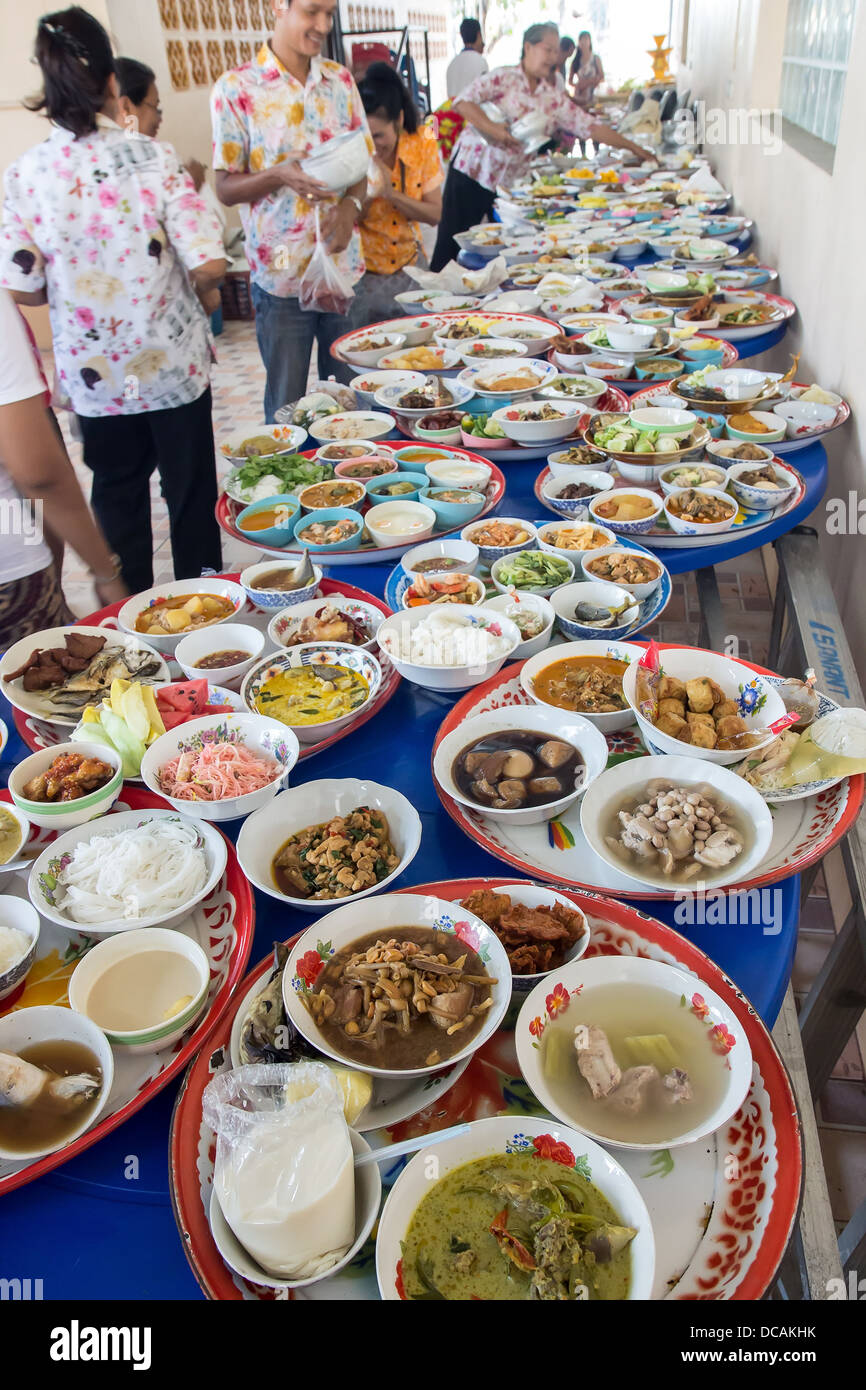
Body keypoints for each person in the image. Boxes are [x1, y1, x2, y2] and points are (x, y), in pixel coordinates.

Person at [0, 7, 227, 598]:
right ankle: (203, 616)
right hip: (174, 369)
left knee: (118, 497)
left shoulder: (26, 175)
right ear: (109, 83)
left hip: (97, 379)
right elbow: (209, 261)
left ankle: (131, 621)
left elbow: (21, 286)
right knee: (191, 496)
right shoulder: (154, 158)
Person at [211, 0, 373, 422]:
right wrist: (279, 175)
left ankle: (352, 483)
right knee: (287, 407)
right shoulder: (237, 89)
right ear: (277, 6)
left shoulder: (339, 81)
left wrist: (350, 208)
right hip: (280, 272)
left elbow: (363, 167)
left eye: (330, 14)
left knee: (352, 401)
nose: (322, 25)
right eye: (311, 11)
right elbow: (225, 187)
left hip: (340, 266)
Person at [431, 22, 655, 271]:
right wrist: (495, 130)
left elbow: (589, 126)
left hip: (506, 186)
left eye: (555, 51)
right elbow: (463, 101)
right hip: (472, 171)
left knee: (496, 249)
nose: (553, 57)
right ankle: (436, 302)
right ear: (528, 47)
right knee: (450, 248)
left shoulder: (551, 96)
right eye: (547, 49)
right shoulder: (503, 77)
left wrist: (635, 148)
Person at [0, 291, 127, 648]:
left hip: (15, 531)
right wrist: (106, 571)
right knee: (35, 693)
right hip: (7, 567)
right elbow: (38, 475)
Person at [346, 64, 443, 327]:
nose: (373, 144)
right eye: (365, 135)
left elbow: (435, 214)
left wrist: (391, 194)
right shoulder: (352, 151)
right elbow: (349, 220)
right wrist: (365, 194)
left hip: (410, 269)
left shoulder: (422, 143)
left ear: (399, 121)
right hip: (364, 276)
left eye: (379, 135)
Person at [116, 56, 206, 190]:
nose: (160, 119)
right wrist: (189, 183)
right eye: (155, 108)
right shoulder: (161, 157)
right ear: (126, 107)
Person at [446, 18, 488, 100]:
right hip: (472, 111)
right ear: (479, 35)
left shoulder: (452, 64)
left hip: (453, 111)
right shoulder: (481, 62)